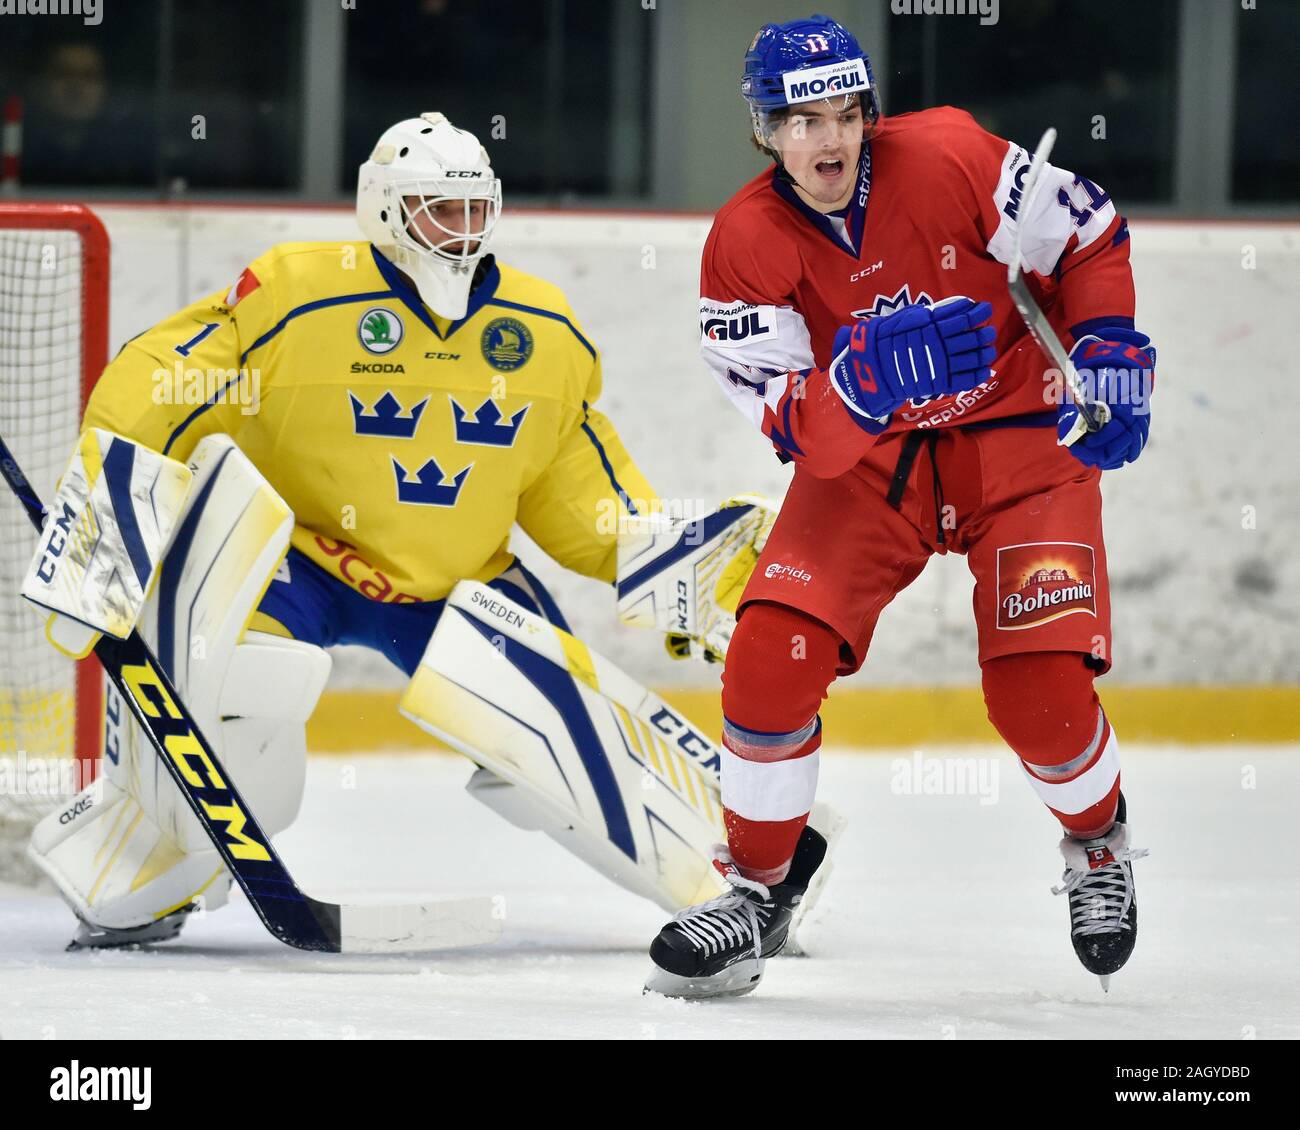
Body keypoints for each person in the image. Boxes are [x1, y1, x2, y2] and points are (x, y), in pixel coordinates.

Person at [27, 113, 738, 948]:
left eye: (477, 210)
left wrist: (680, 570)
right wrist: (105, 517)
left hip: (458, 579)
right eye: (441, 209)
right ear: (387, 210)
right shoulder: (297, 291)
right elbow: (164, 379)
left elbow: (578, 492)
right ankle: (142, 873)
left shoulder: (543, 332)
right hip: (296, 557)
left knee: (557, 749)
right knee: (240, 688)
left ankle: (743, 877)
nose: (463, 231)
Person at [646, 14, 1155, 999]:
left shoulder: (952, 156)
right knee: (770, 651)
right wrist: (866, 384)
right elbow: (799, 427)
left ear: (869, 113)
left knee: (1039, 694)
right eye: (801, 121)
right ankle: (754, 893)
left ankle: (1097, 842)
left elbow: (1087, 231)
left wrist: (1104, 349)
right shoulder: (743, 245)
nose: (828, 139)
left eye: (845, 113)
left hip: (1021, 439)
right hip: (873, 459)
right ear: (763, 130)